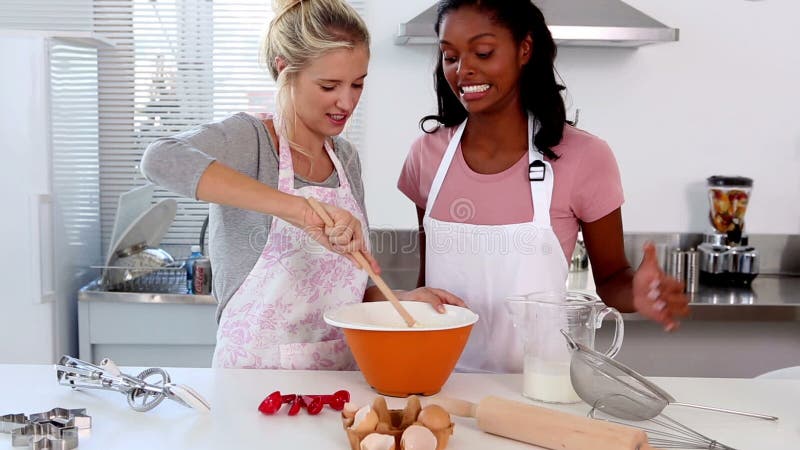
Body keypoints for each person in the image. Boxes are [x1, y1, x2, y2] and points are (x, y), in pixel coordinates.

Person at [141, 0, 461, 370]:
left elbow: (349, 292)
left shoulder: (345, 159)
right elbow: (159, 159)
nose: (347, 101)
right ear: (285, 71)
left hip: (337, 379)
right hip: (254, 384)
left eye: (357, 84)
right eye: (329, 85)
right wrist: (299, 210)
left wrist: (402, 299)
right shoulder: (251, 142)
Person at [397, 0, 690, 373]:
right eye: (450, 56)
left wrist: (641, 292)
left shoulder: (584, 156)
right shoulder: (427, 155)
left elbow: (613, 279)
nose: (463, 70)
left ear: (524, 49)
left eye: (483, 52)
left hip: (539, 386)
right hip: (440, 382)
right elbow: (428, 283)